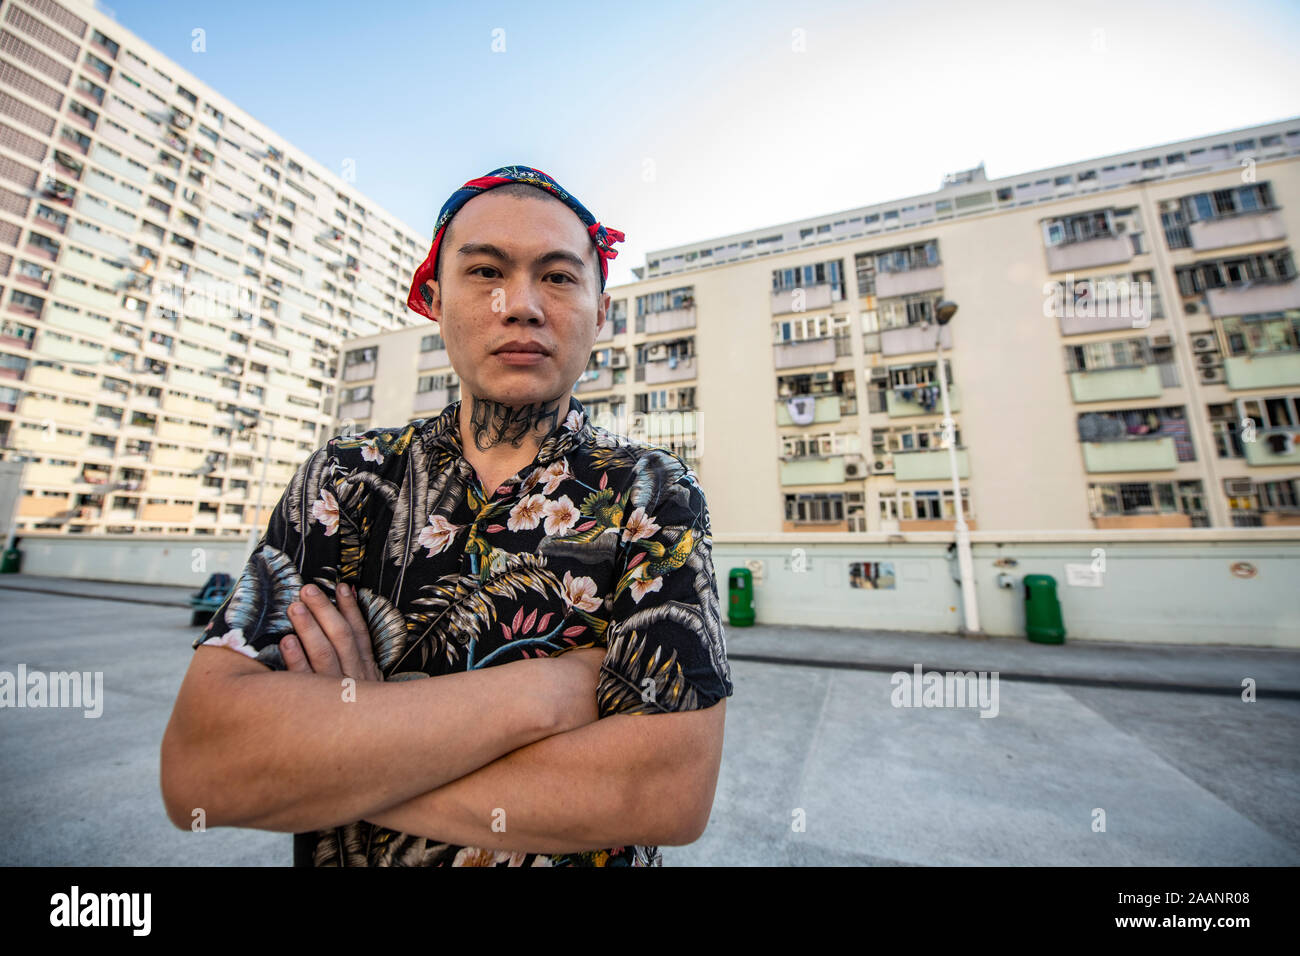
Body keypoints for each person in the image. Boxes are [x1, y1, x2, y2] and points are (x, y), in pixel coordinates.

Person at [160, 165, 734, 867]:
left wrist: (339, 755)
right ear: (434, 298)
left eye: (558, 277)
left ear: (600, 311)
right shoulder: (342, 483)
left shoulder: (652, 493)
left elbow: (664, 793)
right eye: (486, 270)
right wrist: (550, 693)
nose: (520, 304)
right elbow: (204, 769)